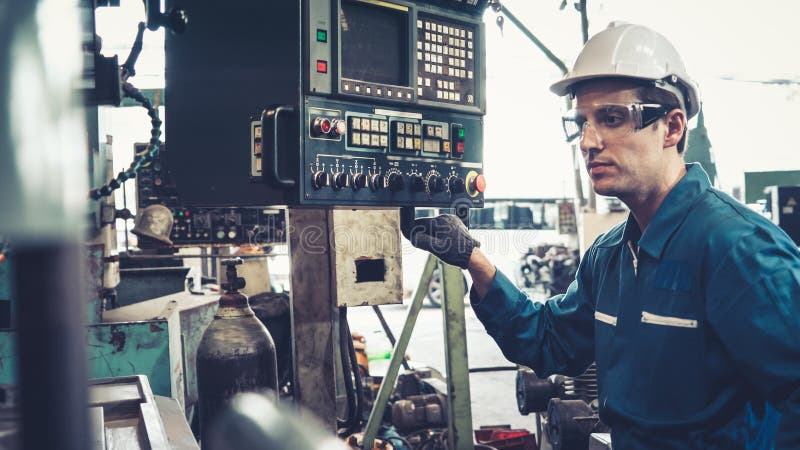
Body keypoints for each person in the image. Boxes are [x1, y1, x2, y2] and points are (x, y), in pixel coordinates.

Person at [405, 22, 800, 449]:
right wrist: (474, 259)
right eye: (582, 123)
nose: (588, 141)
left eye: (612, 118)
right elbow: (550, 342)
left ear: (672, 127)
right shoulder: (610, 254)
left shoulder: (739, 249)